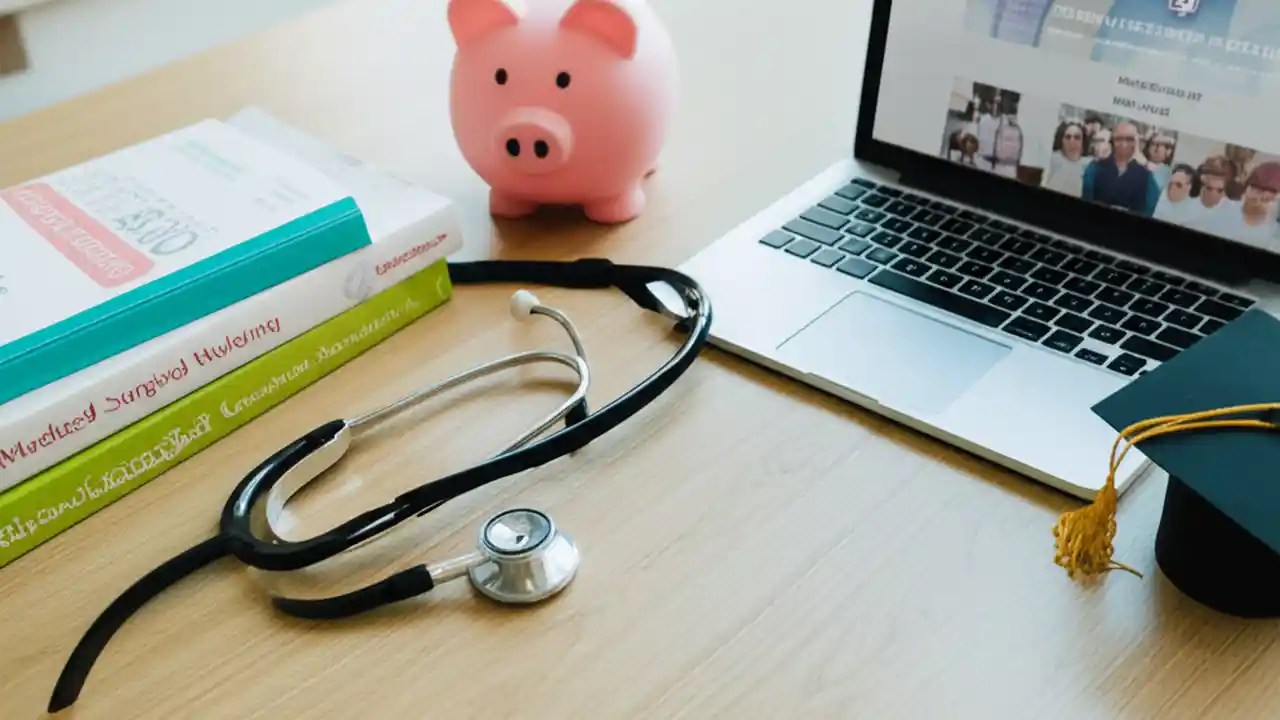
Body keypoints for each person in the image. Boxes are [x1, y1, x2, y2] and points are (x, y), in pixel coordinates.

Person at [1081, 121, 1160, 216]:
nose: (1124, 144)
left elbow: (1149, 210)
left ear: (1137, 142)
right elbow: (1086, 200)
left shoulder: (1147, 176)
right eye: (1119, 139)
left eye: (1129, 139)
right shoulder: (1095, 168)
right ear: (1112, 141)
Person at [1210, 161, 1280, 250]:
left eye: (1265, 199)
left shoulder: (1273, 229)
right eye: (1254, 188)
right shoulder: (1224, 208)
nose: (1258, 196)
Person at [1042, 120, 1089, 196]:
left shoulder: (1089, 165)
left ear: (1083, 141)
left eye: (1077, 137)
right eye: (1068, 137)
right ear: (1062, 140)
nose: (1072, 141)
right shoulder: (1051, 159)